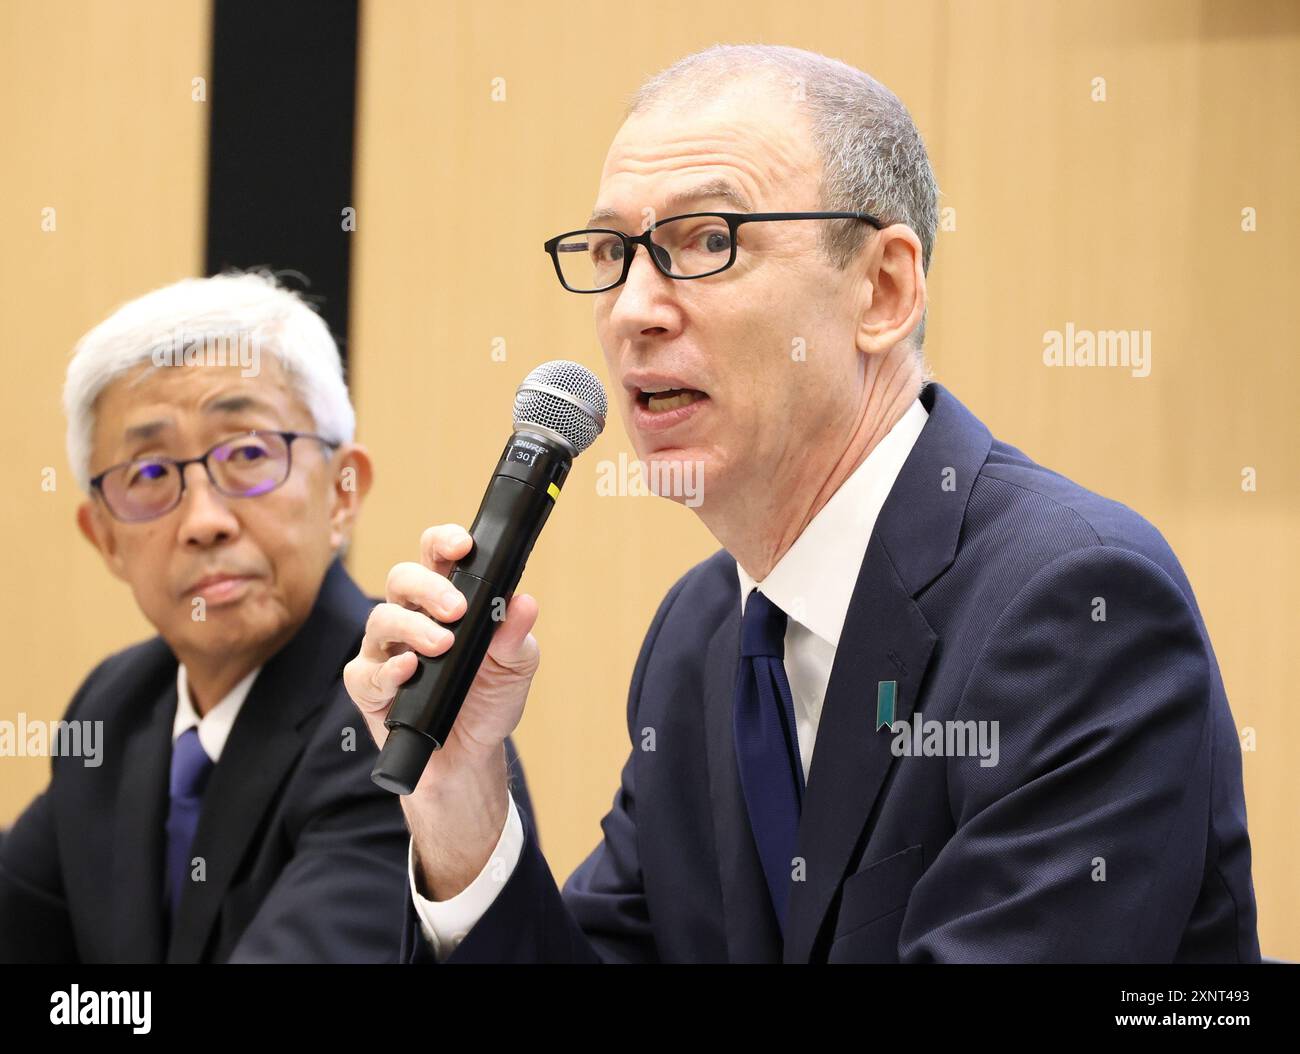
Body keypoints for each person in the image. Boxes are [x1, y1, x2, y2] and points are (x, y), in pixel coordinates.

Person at [345, 45, 1258, 963]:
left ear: (883, 290)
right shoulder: (699, 634)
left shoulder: (1077, 607)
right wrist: (460, 804)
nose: (631, 310)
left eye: (709, 241)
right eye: (613, 252)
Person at [0, 272, 534, 962]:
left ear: (343, 492)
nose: (204, 521)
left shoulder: (398, 715)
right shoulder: (117, 706)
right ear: (104, 537)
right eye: (150, 474)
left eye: (248, 454)